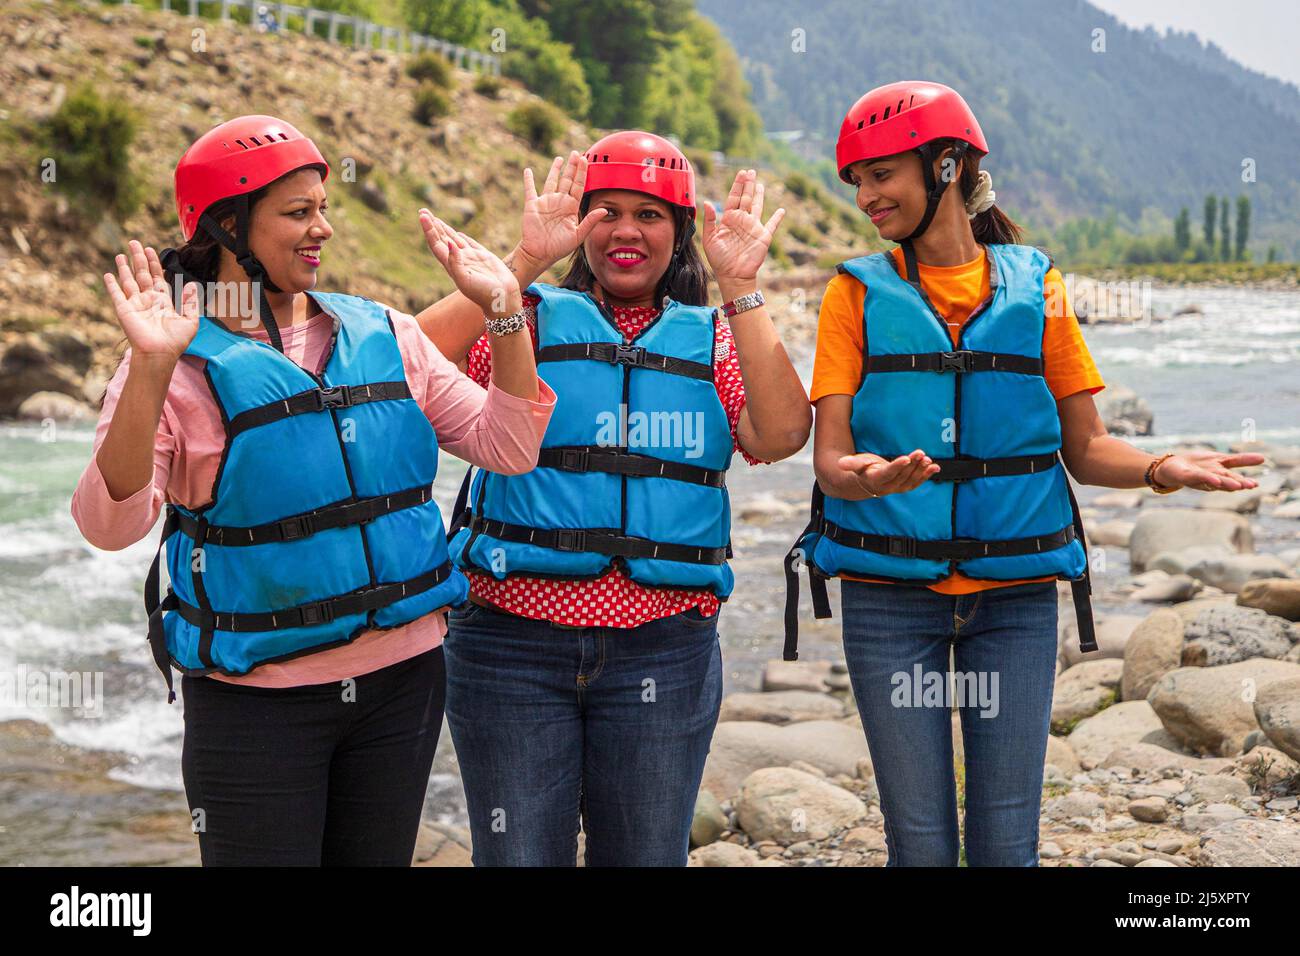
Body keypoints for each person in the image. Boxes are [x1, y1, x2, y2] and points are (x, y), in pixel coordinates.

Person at [786, 81, 1263, 866]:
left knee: (1009, 841)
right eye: (858, 181)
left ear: (945, 165)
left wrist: (1162, 466)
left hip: (1015, 602)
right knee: (920, 843)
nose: (867, 196)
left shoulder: (1035, 286)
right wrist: (866, 480)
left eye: (881, 174)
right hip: (888, 601)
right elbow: (830, 459)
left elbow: (1085, 447)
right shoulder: (853, 294)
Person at [70, 115, 555, 865]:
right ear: (226, 227)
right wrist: (150, 372)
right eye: (297, 213)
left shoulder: (385, 332)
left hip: (403, 678)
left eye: (323, 208)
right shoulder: (174, 360)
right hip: (255, 701)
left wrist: (504, 311)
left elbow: (510, 447)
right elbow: (110, 524)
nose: (321, 229)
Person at [414, 132, 811, 865]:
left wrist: (742, 287)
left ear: (680, 232)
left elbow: (783, 434)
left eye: (650, 215)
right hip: (509, 644)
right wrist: (522, 262)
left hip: (663, 649)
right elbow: (405, 370)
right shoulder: (521, 316)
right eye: (606, 212)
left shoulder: (718, 339)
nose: (626, 231)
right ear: (582, 227)